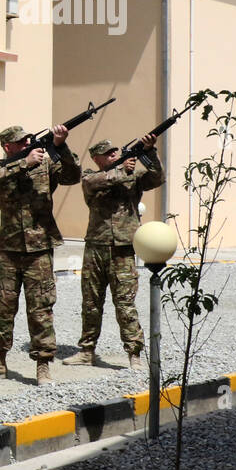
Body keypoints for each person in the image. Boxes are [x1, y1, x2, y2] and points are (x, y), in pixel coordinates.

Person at [0, 125, 80, 386]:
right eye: (21, 143)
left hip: (39, 248)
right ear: (7, 147)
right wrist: (23, 163)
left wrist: (61, 146)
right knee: (3, 307)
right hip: (8, 249)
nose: (27, 144)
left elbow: (72, 175)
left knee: (41, 309)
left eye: (28, 140)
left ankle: (43, 366)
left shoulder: (45, 165)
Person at [63, 135, 162, 369]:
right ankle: (87, 351)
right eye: (108, 154)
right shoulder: (90, 176)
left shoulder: (132, 177)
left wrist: (149, 152)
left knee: (125, 303)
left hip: (123, 249)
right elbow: (93, 183)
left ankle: (134, 354)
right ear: (97, 159)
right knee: (91, 303)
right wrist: (120, 170)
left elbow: (157, 177)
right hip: (96, 247)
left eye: (115, 152)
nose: (114, 155)